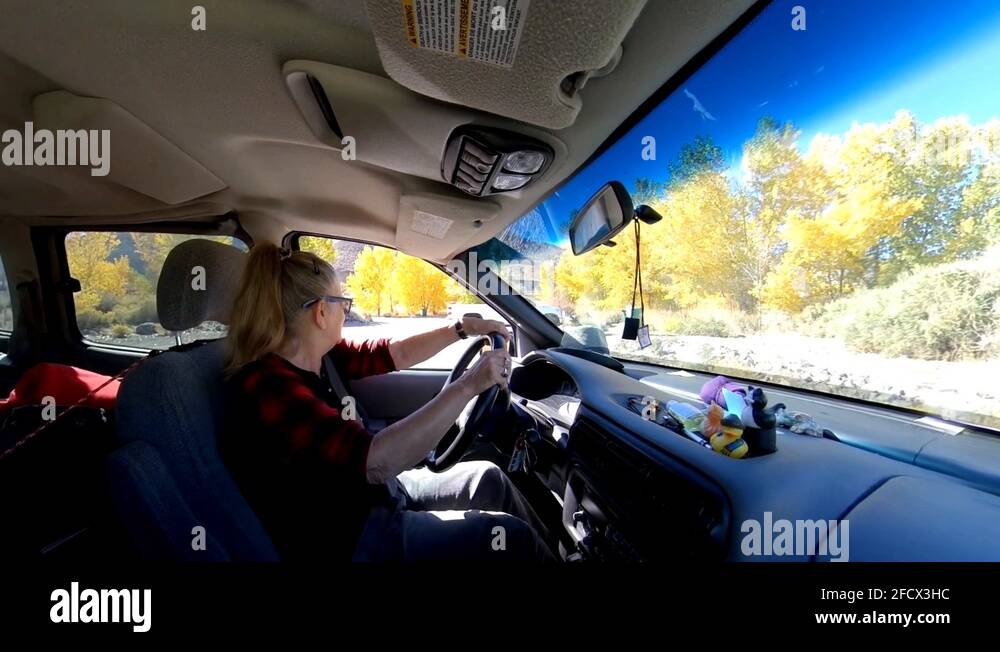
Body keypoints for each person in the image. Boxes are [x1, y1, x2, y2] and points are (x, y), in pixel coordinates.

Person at [219, 243, 554, 562]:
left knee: (488, 479)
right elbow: (374, 463)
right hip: (351, 538)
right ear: (321, 312)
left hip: (377, 497)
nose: (345, 311)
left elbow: (396, 353)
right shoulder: (268, 387)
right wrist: (468, 386)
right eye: (343, 302)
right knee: (510, 537)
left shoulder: (324, 356)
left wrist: (461, 328)